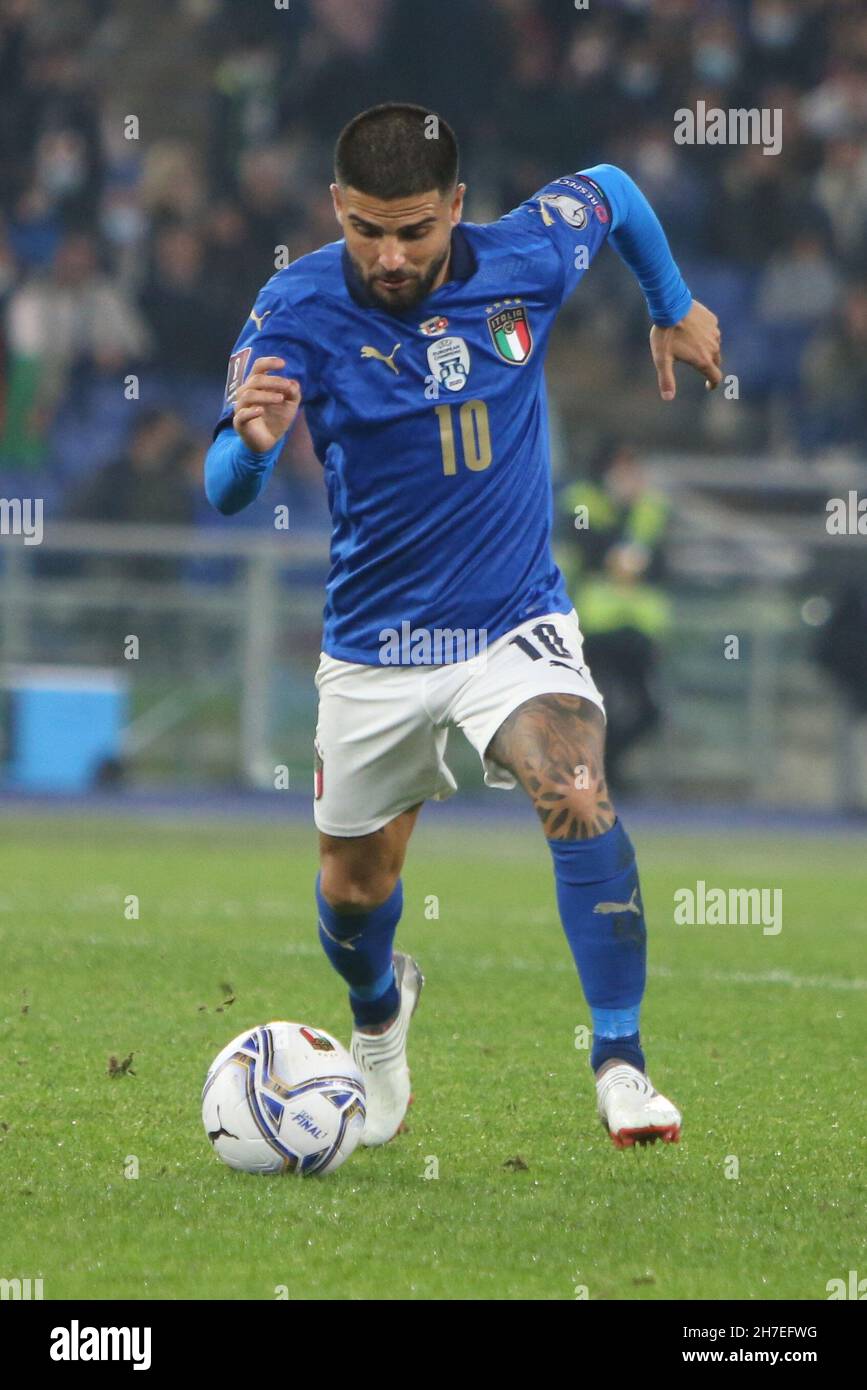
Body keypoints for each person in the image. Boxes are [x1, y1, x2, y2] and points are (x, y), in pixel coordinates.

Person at [204, 104, 722, 1154]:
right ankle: (379, 1021)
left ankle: (620, 1061)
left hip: (511, 620)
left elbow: (615, 192)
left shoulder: (526, 255)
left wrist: (673, 301)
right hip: (374, 648)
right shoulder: (291, 308)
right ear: (336, 209)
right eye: (367, 232)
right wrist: (253, 450)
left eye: (414, 231)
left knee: (573, 780)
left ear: (456, 210)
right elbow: (221, 485)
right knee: (353, 896)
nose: (390, 257)